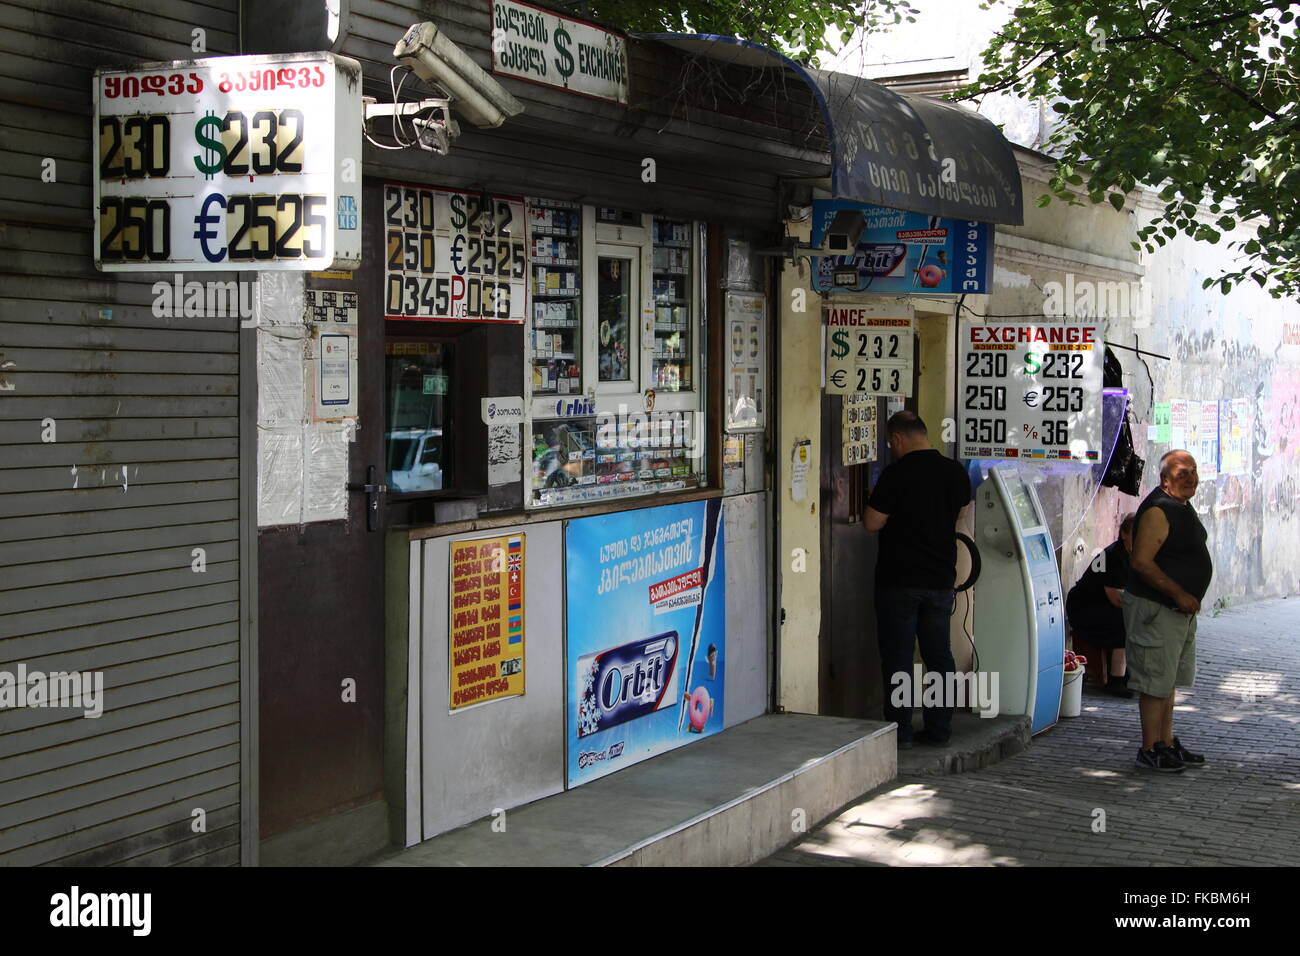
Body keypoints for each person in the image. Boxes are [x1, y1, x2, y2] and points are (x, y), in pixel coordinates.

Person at [865, 411, 973, 748]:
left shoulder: (895, 475)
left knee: (899, 657)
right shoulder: (954, 471)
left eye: (889, 442)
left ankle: (900, 732)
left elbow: (872, 522)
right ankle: (939, 729)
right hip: (940, 580)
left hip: (899, 581)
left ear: (897, 439)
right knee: (939, 656)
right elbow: (961, 513)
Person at [1124, 449, 1214, 773]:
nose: (1190, 478)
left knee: (1166, 681)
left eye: (1192, 472)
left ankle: (1166, 742)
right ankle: (1149, 749)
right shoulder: (1158, 510)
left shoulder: (1180, 505)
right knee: (1153, 682)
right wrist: (1178, 592)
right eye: (1181, 474)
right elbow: (1141, 562)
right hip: (1157, 609)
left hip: (1176, 613)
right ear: (1164, 480)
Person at [1066, 513, 1137, 697]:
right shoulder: (1114, 556)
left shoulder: (1131, 555)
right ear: (1124, 534)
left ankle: (1128, 675)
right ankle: (1116, 680)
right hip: (1085, 609)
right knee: (1125, 623)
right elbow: (1117, 599)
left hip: (1101, 606)